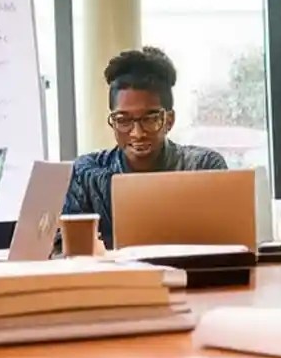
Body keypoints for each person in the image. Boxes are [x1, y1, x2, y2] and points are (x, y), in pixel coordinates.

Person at [62, 46, 227, 248]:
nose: (137, 133)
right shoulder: (87, 174)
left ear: (169, 120)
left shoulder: (203, 167)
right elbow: (65, 251)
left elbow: (226, 244)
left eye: (150, 119)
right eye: (123, 120)